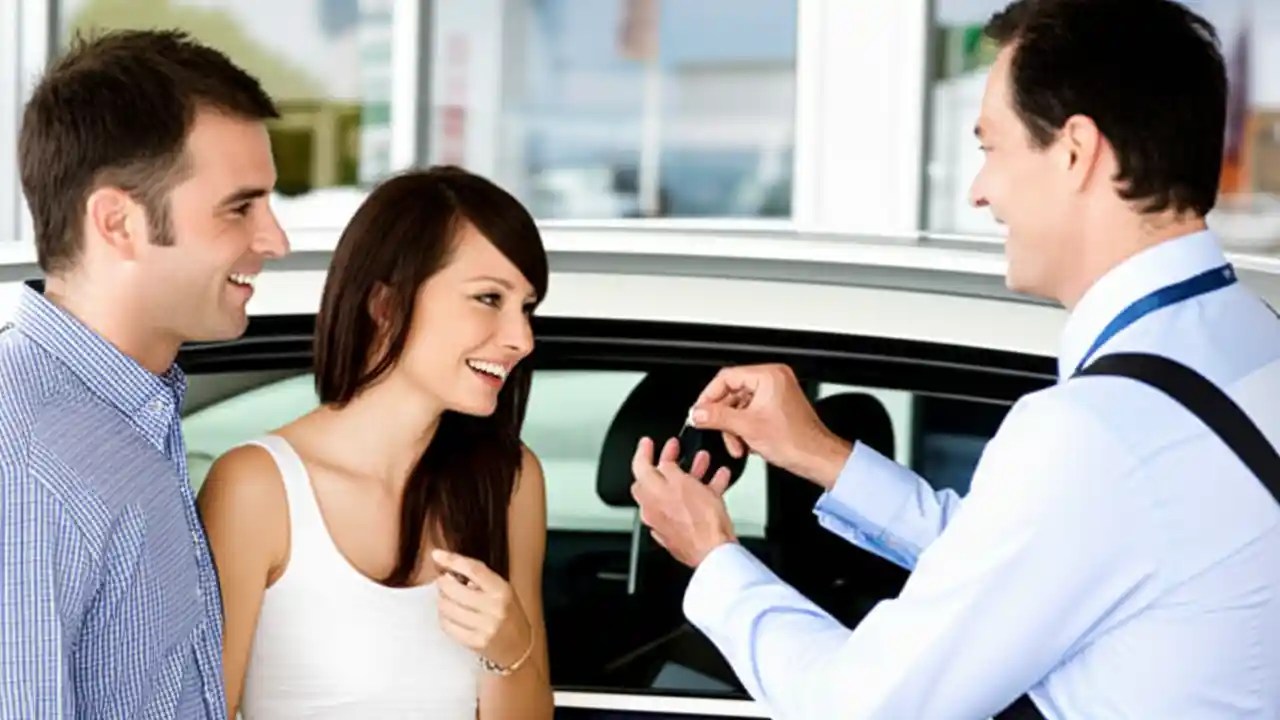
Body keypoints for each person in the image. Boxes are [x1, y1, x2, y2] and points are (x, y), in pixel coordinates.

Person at [630, 0, 1280, 718]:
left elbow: (862, 709)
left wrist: (712, 556)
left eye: (991, 148)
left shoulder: (1095, 431)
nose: (979, 190)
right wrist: (823, 456)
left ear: (1075, 152)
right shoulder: (1254, 342)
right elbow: (1023, 560)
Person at [196, 166, 554, 719]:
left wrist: (507, 648)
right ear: (385, 306)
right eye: (489, 298)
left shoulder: (509, 480)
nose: (521, 339)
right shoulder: (257, 488)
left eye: (526, 307)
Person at [0, 29, 287, 719]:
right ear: (118, 222)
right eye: (240, 207)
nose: (274, 239)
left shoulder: (125, 421)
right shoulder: (28, 460)